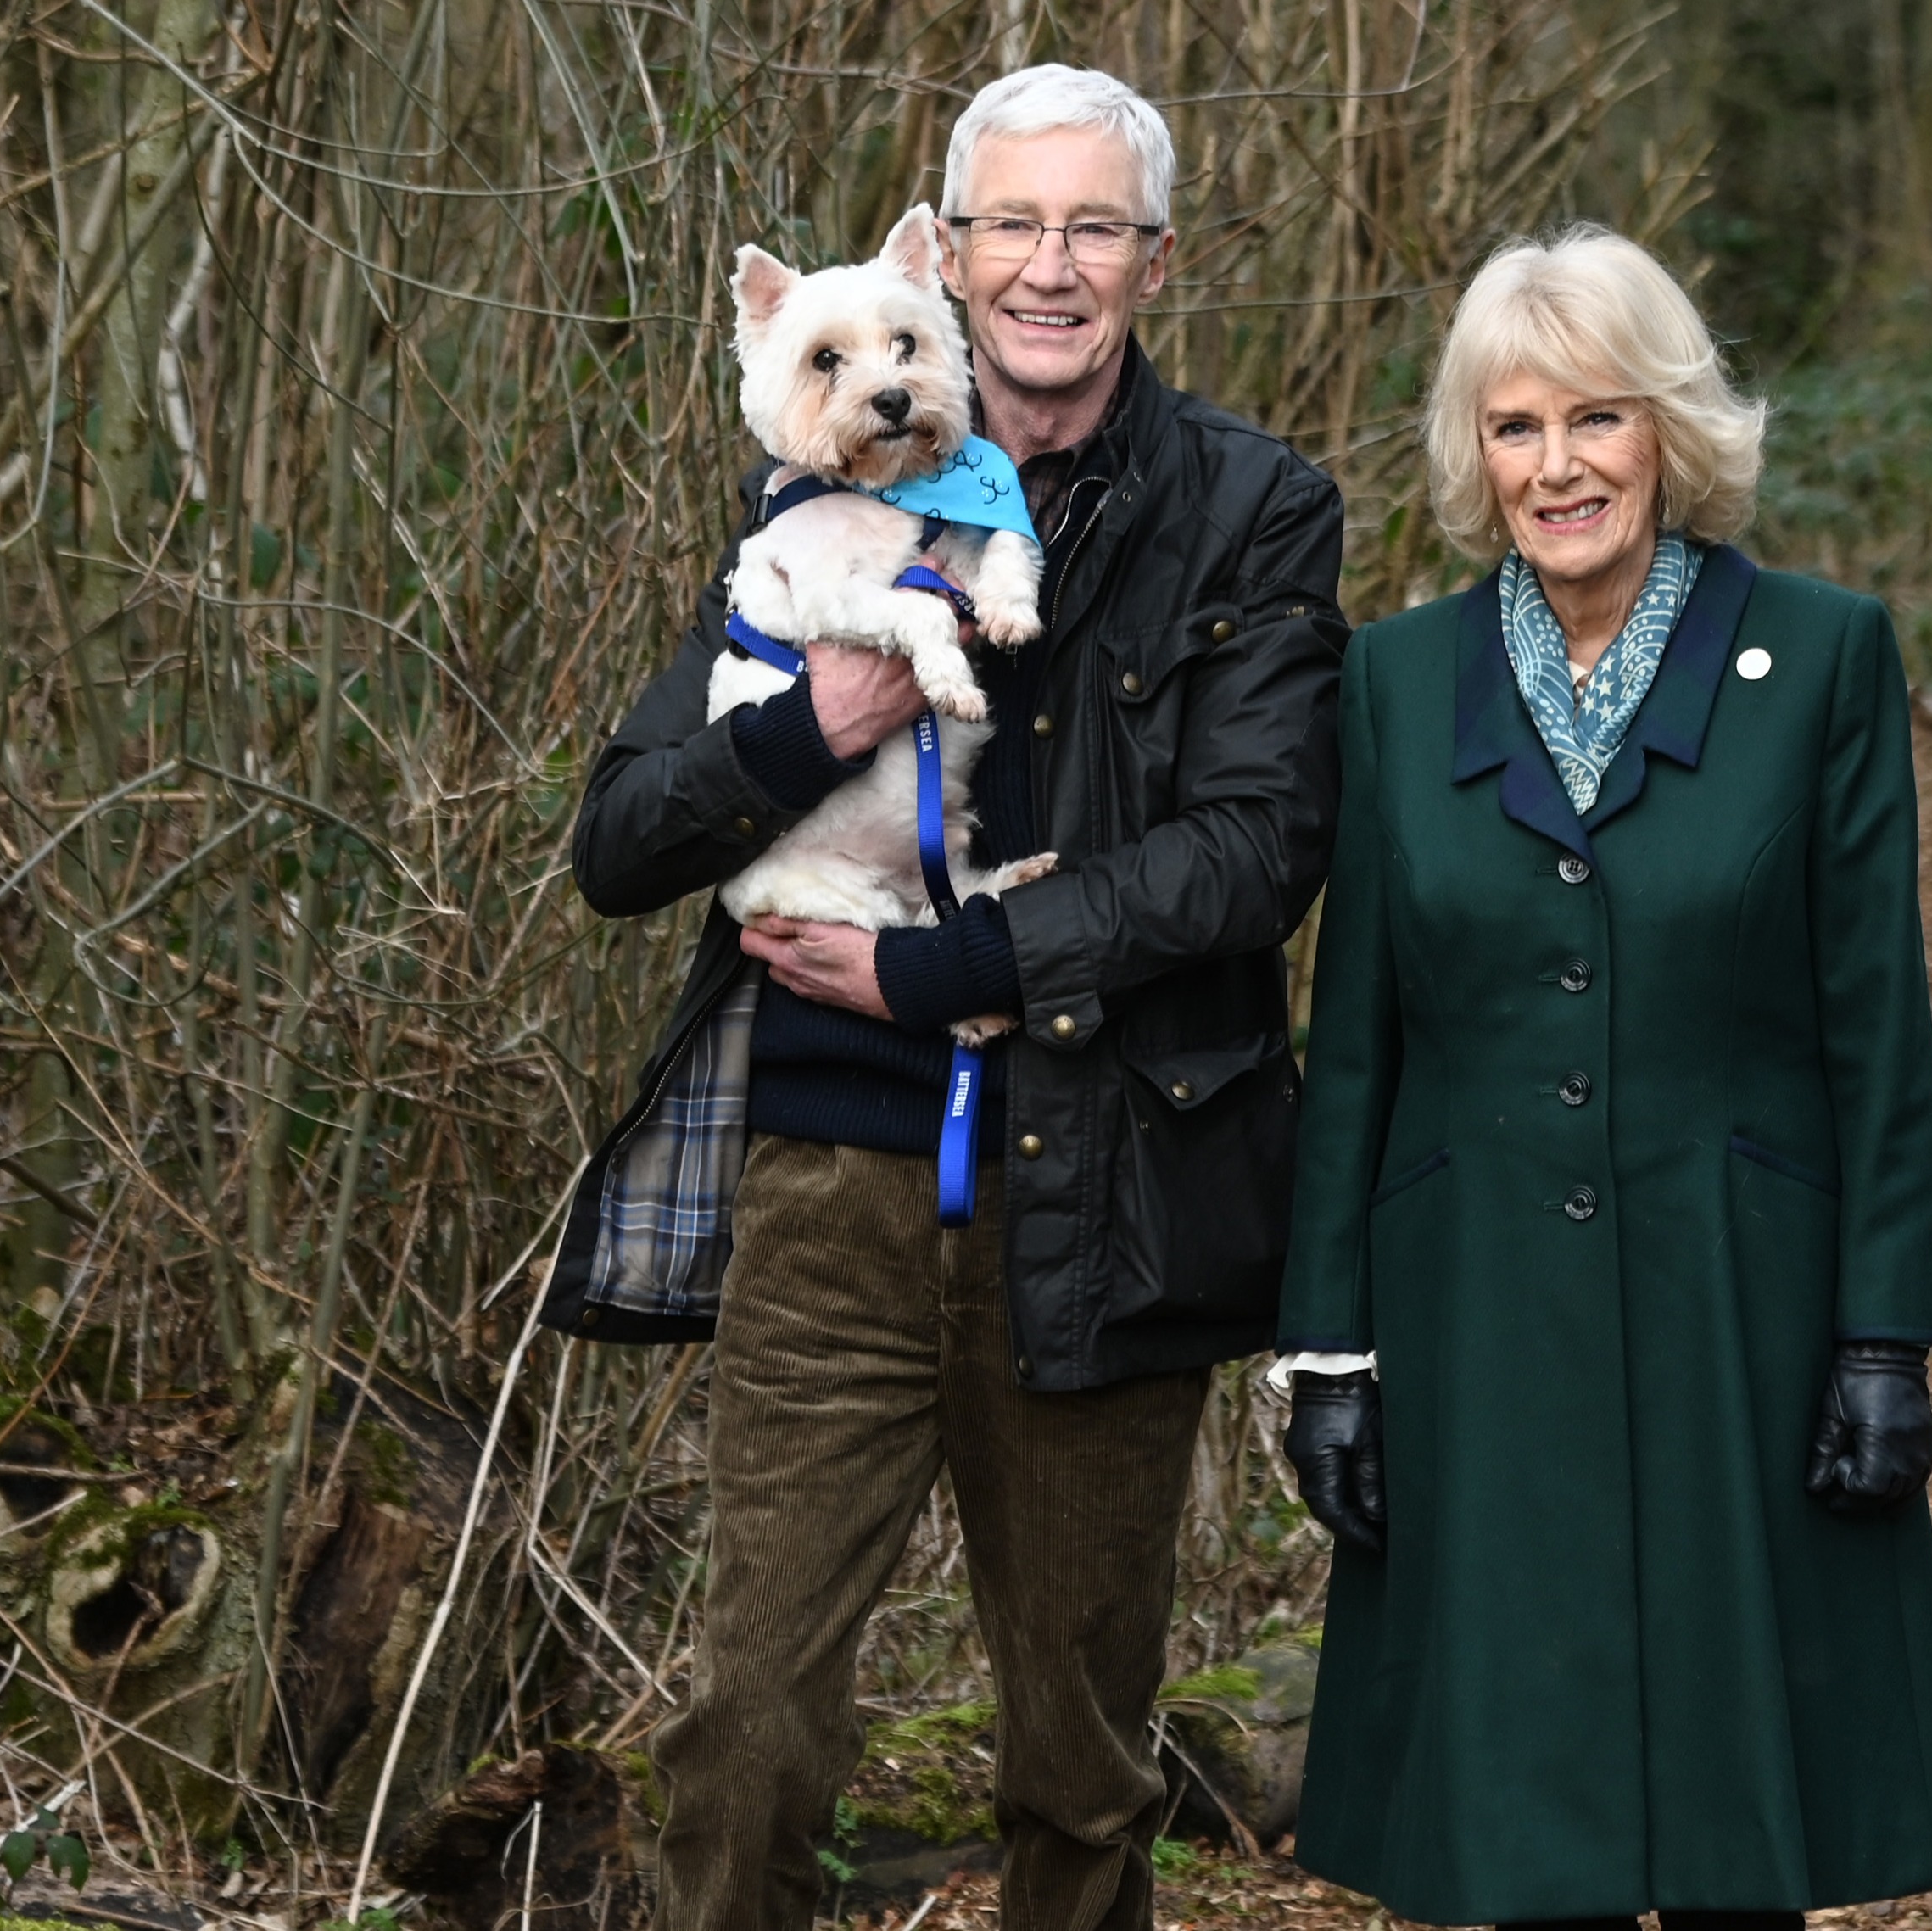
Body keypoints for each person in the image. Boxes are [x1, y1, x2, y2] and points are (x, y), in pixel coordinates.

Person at [538, 64, 1348, 1931]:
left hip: (1107, 1187)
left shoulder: (1249, 508)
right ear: (952, 248)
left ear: (1153, 259)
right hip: (829, 1189)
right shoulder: (818, 482)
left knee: (1079, 1758)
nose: (1047, 268)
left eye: (1092, 228)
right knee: (749, 1728)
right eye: (1011, 225)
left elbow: (1254, 851)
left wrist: (946, 963)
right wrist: (829, 711)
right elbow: (621, 834)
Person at [1271, 227, 1932, 1930]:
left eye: (1594, 417)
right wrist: (1330, 1350)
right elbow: (1359, 1036)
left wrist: (1885, 1331)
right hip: (1479, 1327)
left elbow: (1876, 1019)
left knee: (1746, 1836)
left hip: (1737, 1306)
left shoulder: (1817, 658)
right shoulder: (1395, 680)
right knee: (1532, 1831)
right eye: (1514, 426)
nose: (1555, 464)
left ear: (1668, 428)